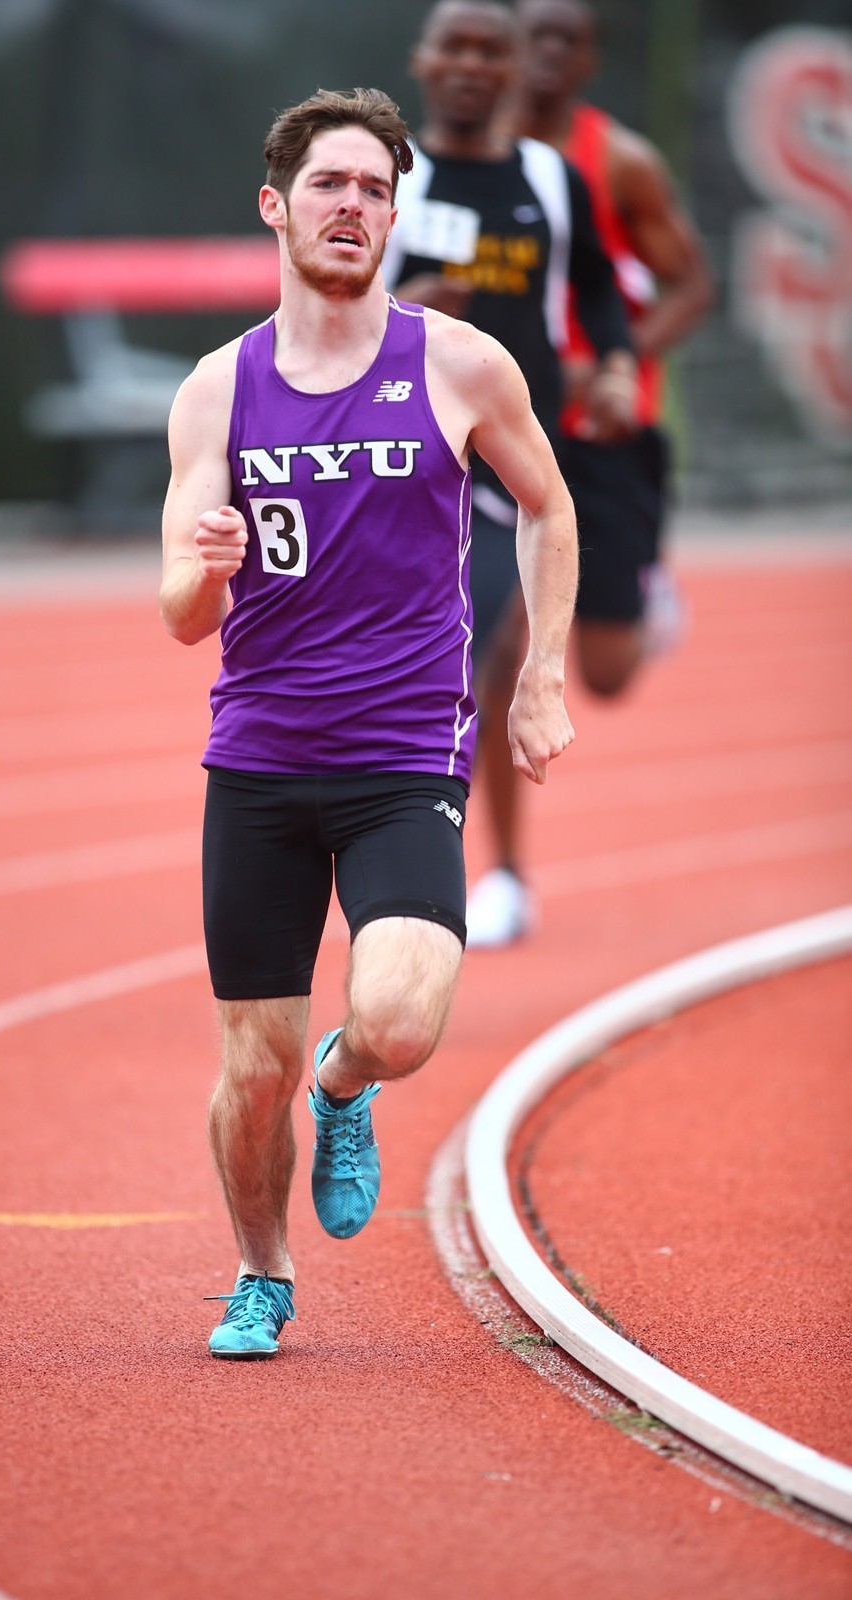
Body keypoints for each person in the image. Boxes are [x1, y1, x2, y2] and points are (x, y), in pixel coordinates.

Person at [160, 86, 578, 1359]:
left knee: (395, 1021)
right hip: (260, 763)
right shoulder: (216, 390)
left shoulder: (454, 362)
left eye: (375, 191)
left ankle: (347, 1088)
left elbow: (550, 510)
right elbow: (179, 611)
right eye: (331, 185)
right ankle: (261, 1275)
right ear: (277, 207)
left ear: (395, 218)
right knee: (249, 1071)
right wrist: (211, 565)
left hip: (403, 757)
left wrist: (539, 676)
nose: (353, 207)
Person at [382, 0, 641, 947]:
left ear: (513, 68)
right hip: (412, 466)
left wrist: (611, 367)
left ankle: (500, 878)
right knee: (437, 669)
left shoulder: (546, 176)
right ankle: (431, 864)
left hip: (524, 457)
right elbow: (329, 308)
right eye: (454, 45)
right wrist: (400, 305)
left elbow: (602, 296)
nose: (472, 65)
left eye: (492, 50)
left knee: (496, 663)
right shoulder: (387, 175)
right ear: (422, 59)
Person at [462, 0, 716, 945]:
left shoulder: (619, 164)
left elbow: (690, 283)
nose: (540, 56)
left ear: (586, 59)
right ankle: (507, 880)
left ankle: (642, 591)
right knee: (495, 653)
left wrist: (616, 362)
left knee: (603, 673)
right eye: (525, 36)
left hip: (601, 438)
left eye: (564, 38)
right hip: (493, 441)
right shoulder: (448, 165)